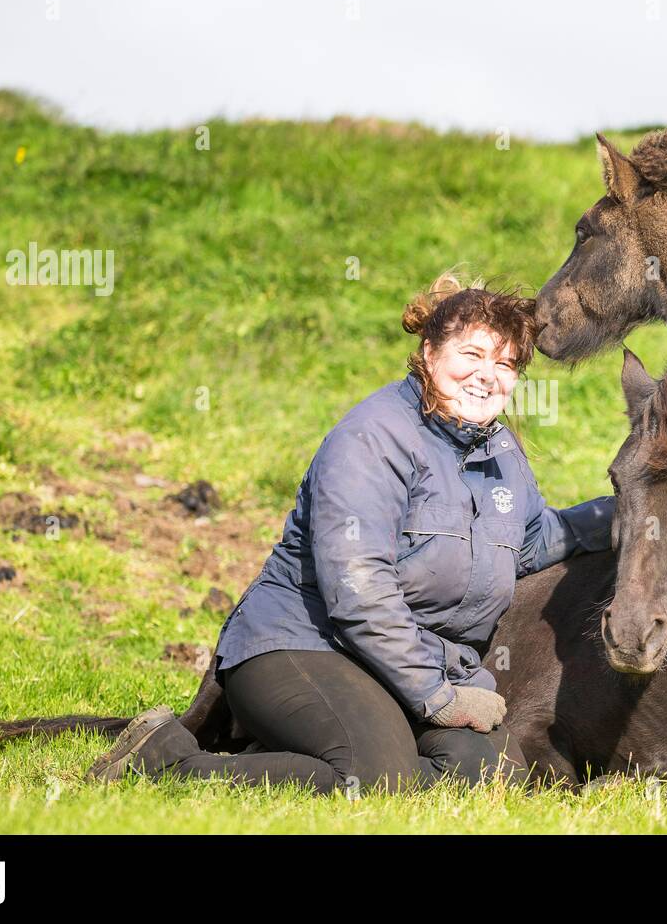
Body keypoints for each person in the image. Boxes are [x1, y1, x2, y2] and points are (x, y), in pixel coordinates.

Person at [86, 274, 616, 793]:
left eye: (504, 364)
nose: (487, 375)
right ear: (430, 353)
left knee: (492, 776)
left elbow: (531, 540)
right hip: (307, 644)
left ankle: (290, 761)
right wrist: (437, 697)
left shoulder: (499, 453)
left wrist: (634, 510)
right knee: (378, 773)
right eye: (471, 356)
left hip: (405, 664)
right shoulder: (373, 438)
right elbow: (359, 591)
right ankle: (163, 760)